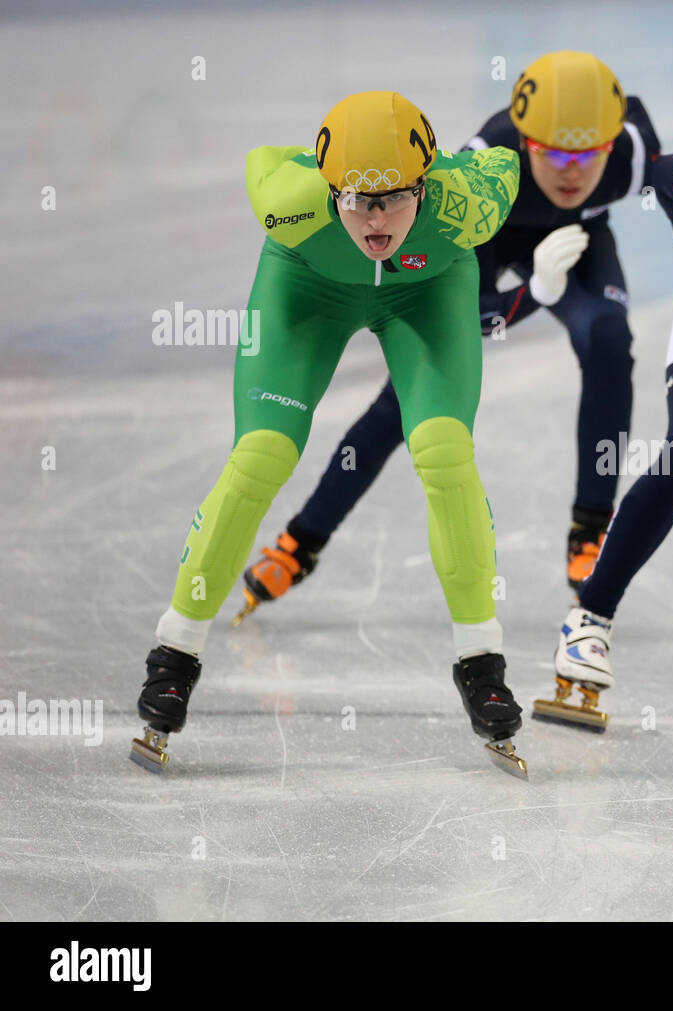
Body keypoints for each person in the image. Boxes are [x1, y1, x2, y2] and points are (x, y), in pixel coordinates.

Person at [131, 91, 529, 778]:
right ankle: (175, 651)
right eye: (356, 199)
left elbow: (505, 161)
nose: (375, 220)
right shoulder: (289, 201)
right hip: (308, 286)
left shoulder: (469, 200)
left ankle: (481, 659)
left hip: (426, 290)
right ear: (327, 186)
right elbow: (265, 159)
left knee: (444, 452)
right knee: (261, 455)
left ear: (428, 182)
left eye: (395, 199)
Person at [232, 50, 673, 625]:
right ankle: (302, 539)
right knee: (407, 394)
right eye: (555, 153)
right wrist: (541, 293)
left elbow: (669, 165)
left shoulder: (630, 154)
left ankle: (590, 526)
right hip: (493, 238)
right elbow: (477, 320)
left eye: (589, 153)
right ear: (527, 144)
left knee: (608, 339)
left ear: (611, 143)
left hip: (578, 240)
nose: (573, 171)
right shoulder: (478, 182)